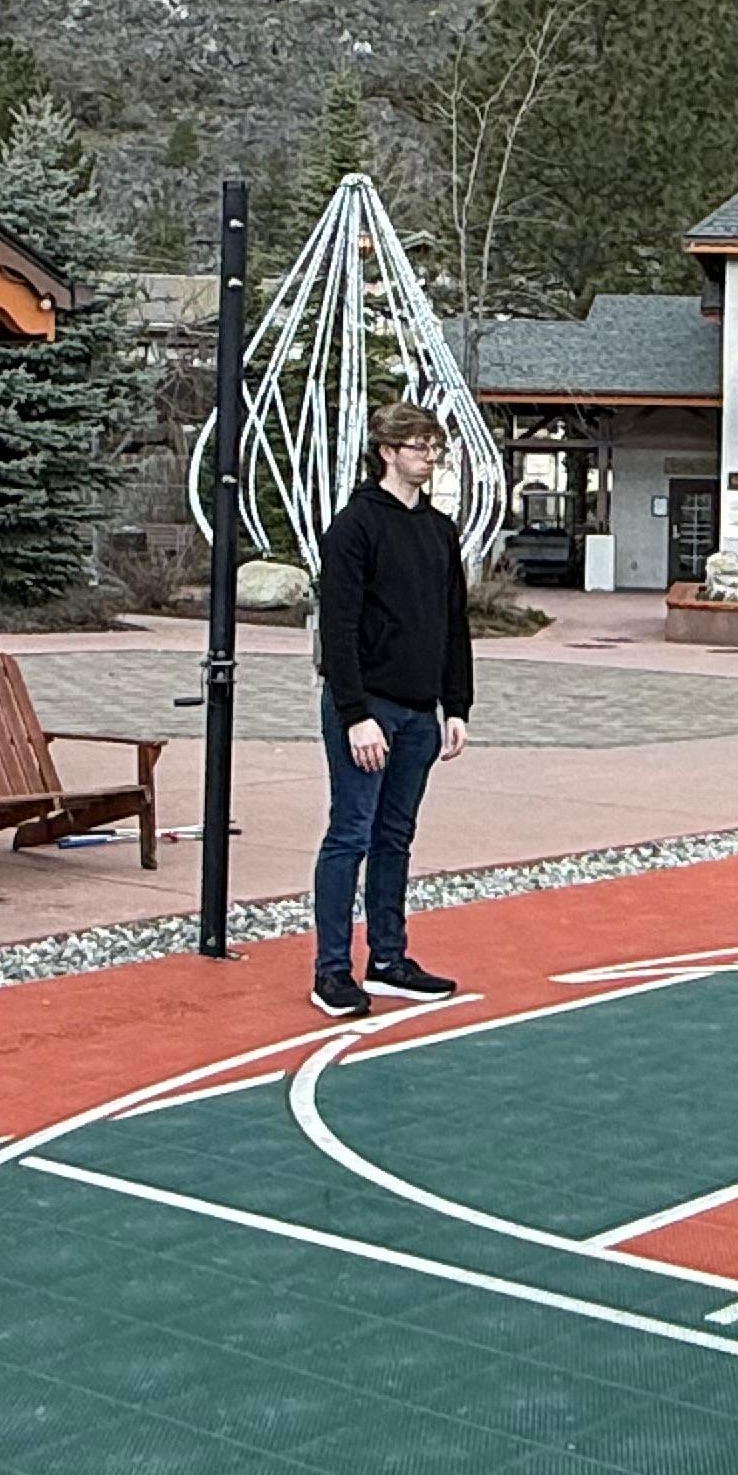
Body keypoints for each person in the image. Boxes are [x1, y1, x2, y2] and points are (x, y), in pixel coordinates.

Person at [308, 401, 472, 1020]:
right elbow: (340, 629)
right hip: (368, 708)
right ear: (387, 451)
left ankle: (388, 958)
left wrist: (455, 704)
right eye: (419, 447)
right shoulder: (354, 528)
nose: (429, 457)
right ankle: (331, 972)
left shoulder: (440, 531)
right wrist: (355, 714)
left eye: (435, 448)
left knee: (395, 838)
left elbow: (453, 625)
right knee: (350, 834)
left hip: (419, 714)